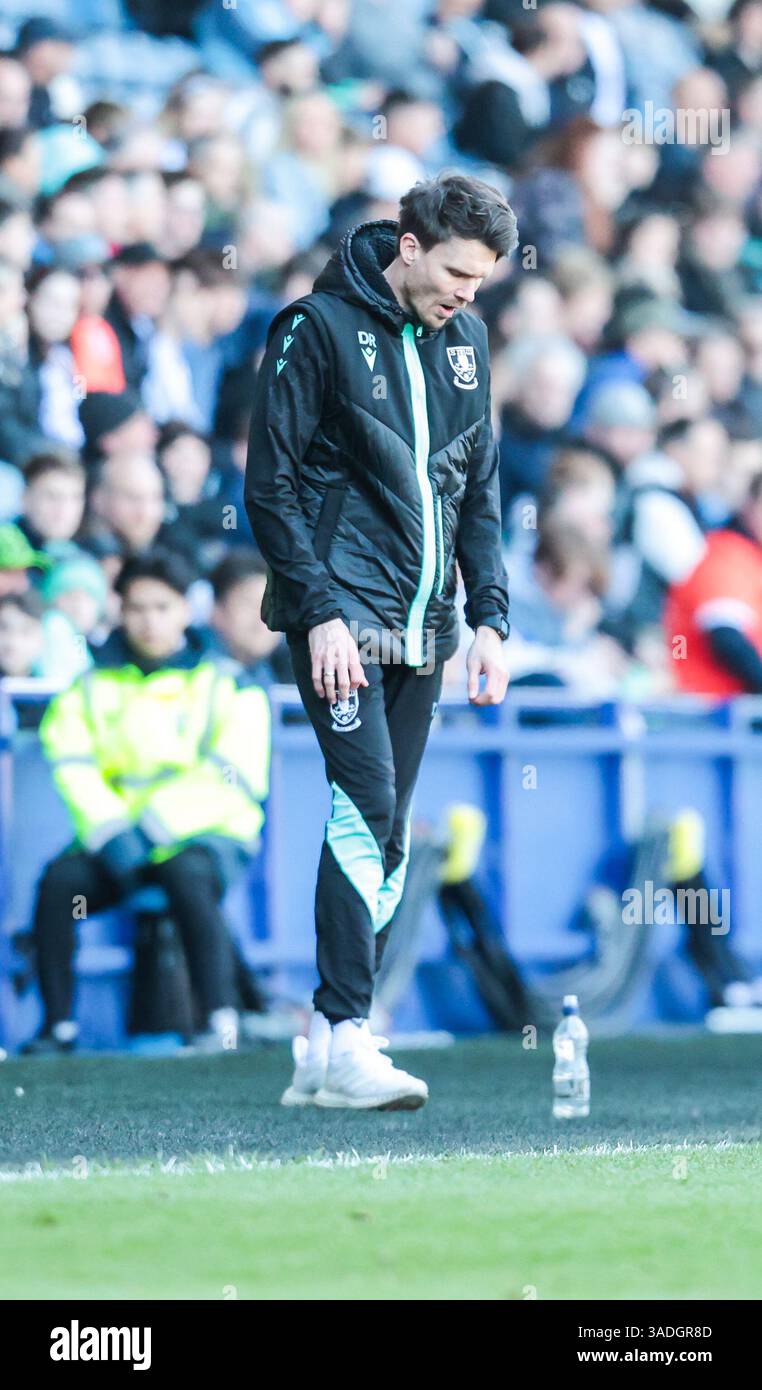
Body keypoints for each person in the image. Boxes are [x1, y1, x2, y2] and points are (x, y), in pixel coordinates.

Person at [245, 173, 514, 1110]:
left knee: (390, 826)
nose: (464, 296)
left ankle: (324, 1045)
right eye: (454, 274)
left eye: (480, 282)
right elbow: (268, 487)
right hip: (340, 620)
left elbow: (476, 495)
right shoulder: (313, 329)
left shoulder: (469, 343)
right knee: (365, 804)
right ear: (408, 246)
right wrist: (315, 610)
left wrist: (490, 620)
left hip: (426, 626)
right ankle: (352, 1030)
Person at [23, 547, 271, 1055]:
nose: (149, 620)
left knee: (187, 876)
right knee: (61, 884)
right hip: (118, 842)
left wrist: (150, 830)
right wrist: (112, 831)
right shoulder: (90, 685)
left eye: (161, 607)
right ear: (120, 611)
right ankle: (58, 1027)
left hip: (206, 838)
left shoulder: (226, 682)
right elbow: (70, 759)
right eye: (136, 608)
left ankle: (219, 1023)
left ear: (185, 610)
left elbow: (233, 773)